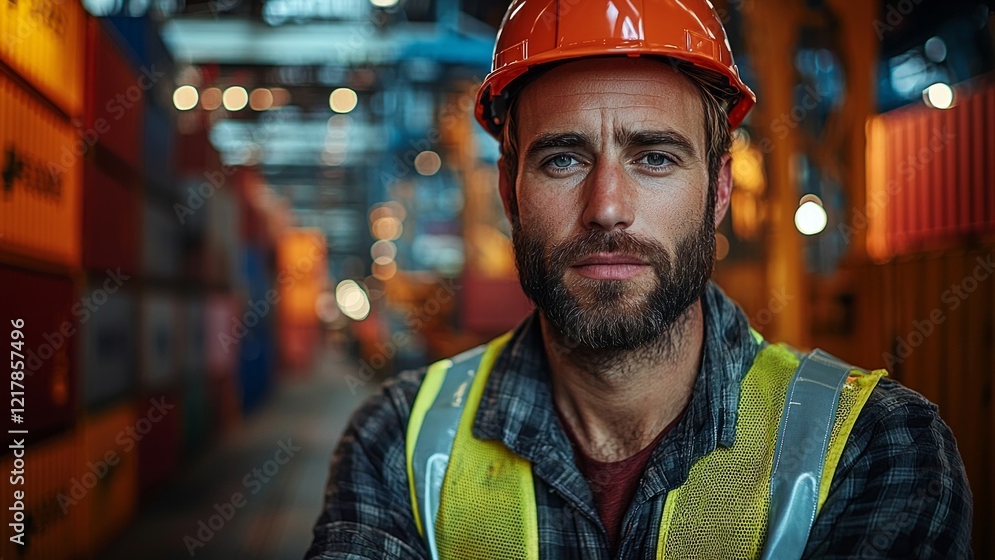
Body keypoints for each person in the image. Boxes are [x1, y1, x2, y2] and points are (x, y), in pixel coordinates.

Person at [306, 1, 973, 558]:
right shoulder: (399, 444)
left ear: (718, 192)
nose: (607, 208)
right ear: (510, 192)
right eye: (563, 159)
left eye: (654, 157)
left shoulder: (877, 449)